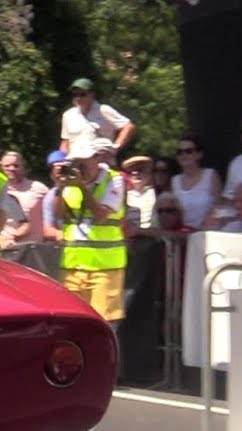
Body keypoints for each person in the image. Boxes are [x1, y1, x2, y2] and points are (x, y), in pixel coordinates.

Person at [52, 139, 128, 330]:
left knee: (102, 326)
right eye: (74, 162)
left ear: (96, 159)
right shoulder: (70, 182)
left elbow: (101, 215)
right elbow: (58, 215)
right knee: (72, 323)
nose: (78, 167)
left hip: (105, 268)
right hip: (73, 266)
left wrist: (81, 187)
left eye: (82, 162)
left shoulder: (114, 180)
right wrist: (59, 188)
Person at [59, 78, 135, 156]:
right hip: (76, 161)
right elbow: (66, 141)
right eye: (75, 95)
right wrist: (63, 158)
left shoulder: (104, 110)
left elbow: (128, 126)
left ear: (92, 94)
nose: (78, 98)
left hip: (100, 160)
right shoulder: (68, 115)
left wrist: (115, 147)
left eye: (83, 94)